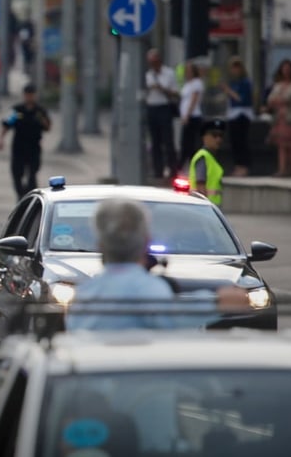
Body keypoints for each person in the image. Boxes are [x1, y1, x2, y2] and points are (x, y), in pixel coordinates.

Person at [65, 198, 249, 331]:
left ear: (100, 245)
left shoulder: (82, 298)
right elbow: (173, 316)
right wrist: (217, 302)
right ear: (146, 242)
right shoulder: (150, 290)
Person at [0, 83, 51, 199]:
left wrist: (42, 120)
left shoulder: (40, 111)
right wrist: (1, 140)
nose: (29, 97)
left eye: (32, 95)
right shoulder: (17, 110)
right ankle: (20, 196)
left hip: (34, 148)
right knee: (17, 174)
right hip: (19, 147)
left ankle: (30, 198)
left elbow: (48, 127)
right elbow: (6, 125)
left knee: (32, 174)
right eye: (27, 95)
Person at [144, 48, 180, 180]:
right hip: (152, 107)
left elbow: (175, 92)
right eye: (150, 62)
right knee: (155, 141)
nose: (152, 65)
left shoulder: (169, 73)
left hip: (164, 107)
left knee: (168, 140)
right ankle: (158, 170)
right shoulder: (148, 74)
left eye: (154, 61)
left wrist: (160, 87)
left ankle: (173, 169)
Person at [220, 56, 254, 176]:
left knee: (241, 141)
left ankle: (244, 165)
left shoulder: (245, 83)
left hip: (242, 114)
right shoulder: (233, 82)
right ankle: (238, 165)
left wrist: (228, 91)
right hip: (232, 114)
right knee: (234, 141)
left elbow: (241, 99)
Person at [265, 58, 291, 177]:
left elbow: (288, 99)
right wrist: (278, 101)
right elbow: (270, 100)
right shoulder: (278, 85)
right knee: (281, 145)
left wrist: (278, 100)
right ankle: (282, 169)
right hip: (279, 118)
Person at [189, 119, 227, 207]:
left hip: (210, 207)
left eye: (221, 135)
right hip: (205, 208)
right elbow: (200, 186)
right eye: (214, 135)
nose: (218, 139)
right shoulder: (203, 157)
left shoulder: (210, 157)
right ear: (204, 137)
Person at [178, 61, 205, 172]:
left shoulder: (197, 83)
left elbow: (194, 99)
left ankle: (190, 167)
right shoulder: (187, 84)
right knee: (185, 144)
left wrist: (187, 115)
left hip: (193, 117)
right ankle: (184, 167)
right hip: (186, 117)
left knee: (191, 143)